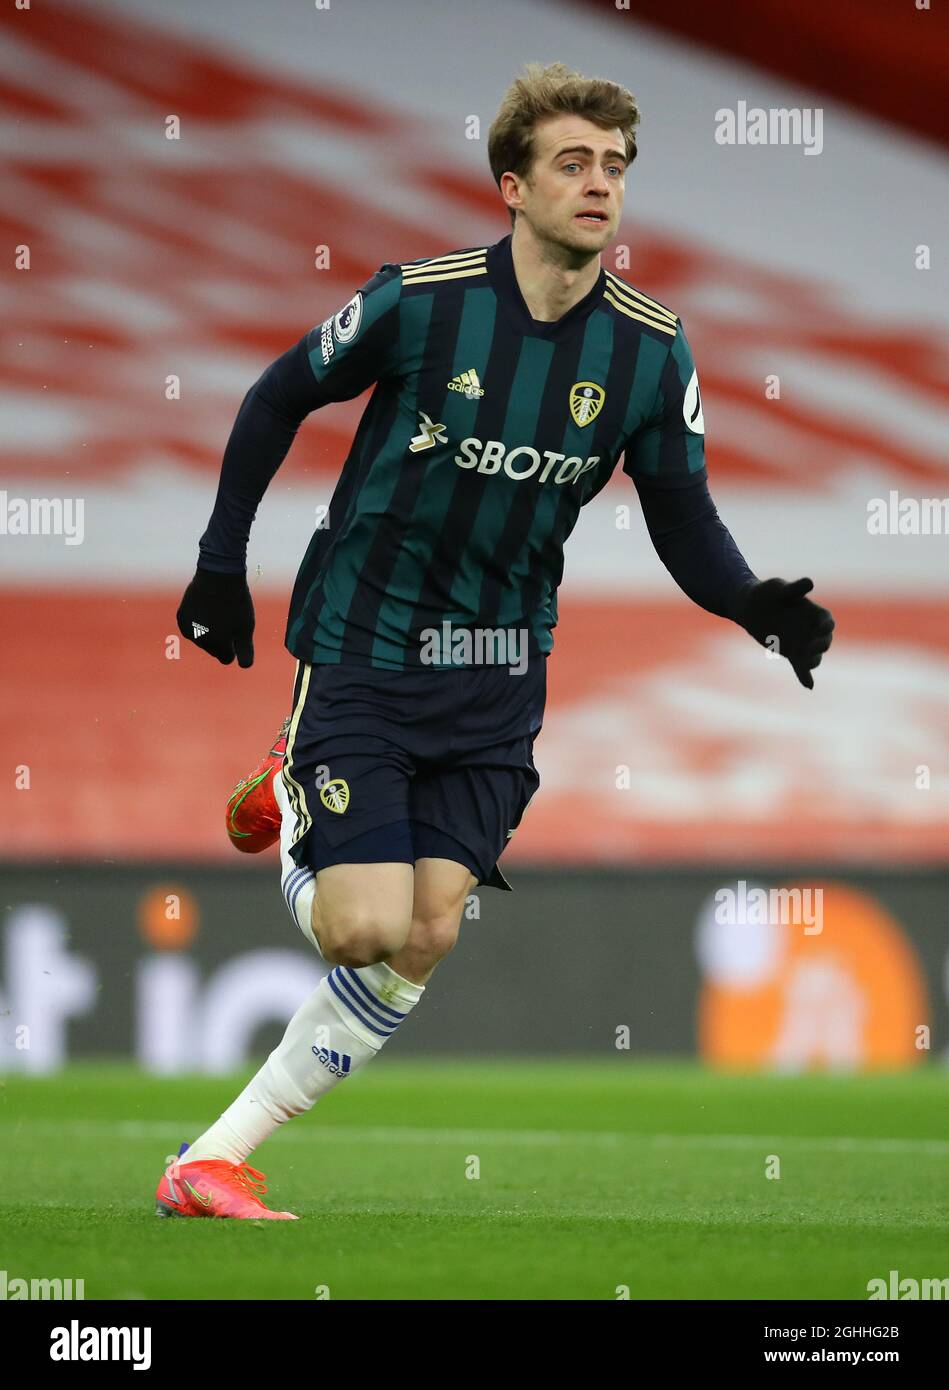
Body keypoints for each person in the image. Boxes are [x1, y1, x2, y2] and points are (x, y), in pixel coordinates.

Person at [157, 62, 834, 1219]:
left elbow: (683, 519)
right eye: (573, 161)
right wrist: (222, 564)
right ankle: (291, 780)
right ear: (511, 183)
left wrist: (755, 604)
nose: (599, 183)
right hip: (367, 644)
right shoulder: (419, 303)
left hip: (499, 672)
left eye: (616, 165)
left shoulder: (651, 351)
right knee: (359, 920)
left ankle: (208, 1160)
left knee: (423, 934)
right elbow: (275, 396)